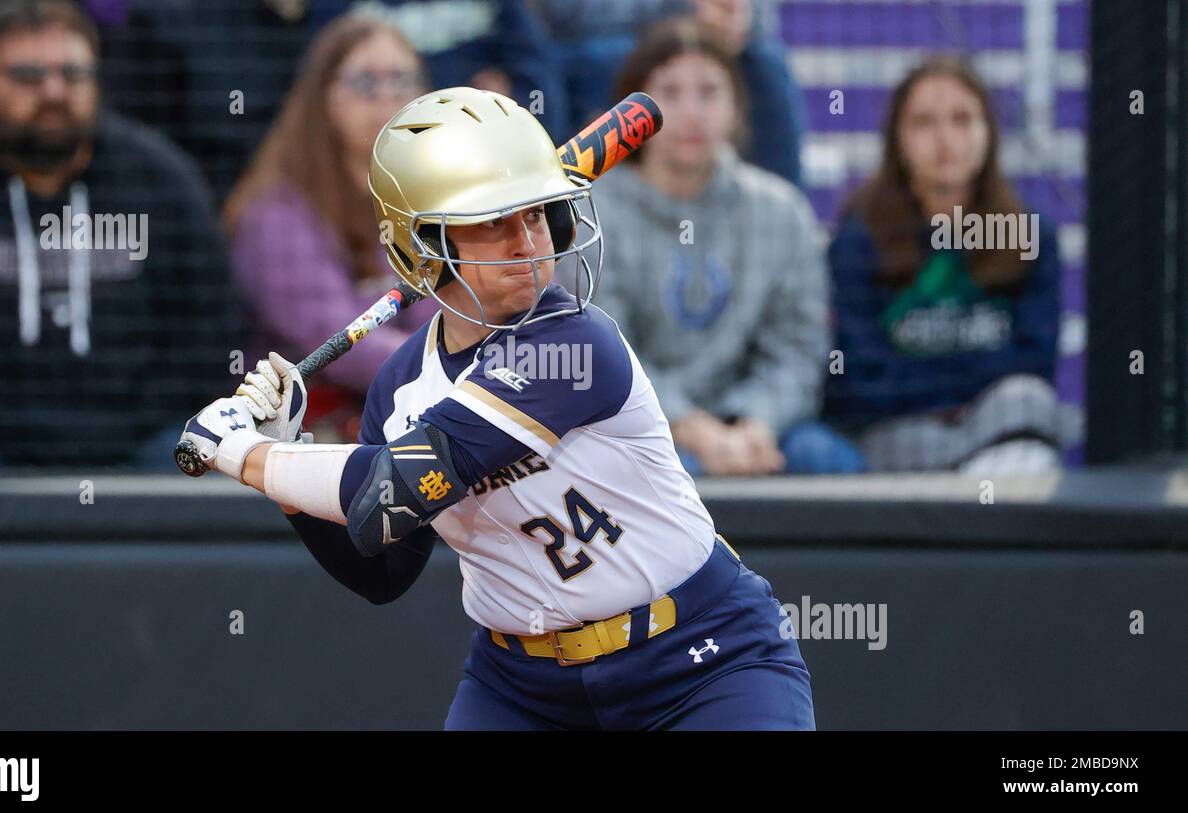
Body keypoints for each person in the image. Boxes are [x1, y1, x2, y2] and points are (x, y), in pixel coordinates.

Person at [179, 87, 815, 730]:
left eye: (537, 215)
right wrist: (293, 469)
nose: (526, 242)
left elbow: (390, 488)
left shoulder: (573, 343)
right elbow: (379, 562)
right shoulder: (401, 385)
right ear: (424, 245)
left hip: (700, 660)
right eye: (493, 222)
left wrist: (247, 453)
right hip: (523, 689)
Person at [0, 0, 242, 470]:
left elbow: (209, 331)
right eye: (28, 76)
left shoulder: (159, 176)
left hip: (134, 429)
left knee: (193, 457)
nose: (53, 91)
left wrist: (112, 427)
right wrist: (18, 426)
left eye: (73, 74)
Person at [592, 18, 863, 476]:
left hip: (759, 429)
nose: (691, 112)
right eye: (670, 93)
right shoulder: (591, 216)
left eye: (709, 92)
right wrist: (693, 430)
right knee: (672, 475)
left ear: (737, 109)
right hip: (639, 429)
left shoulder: (782, 211)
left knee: (830, 462)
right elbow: (606, 353)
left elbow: (798, 350)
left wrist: (755, 425)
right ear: (632, 117)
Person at [824, 56, 1064, 474]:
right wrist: (967, 387)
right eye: (924, 123)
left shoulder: (1029, 235)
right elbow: (859, 381)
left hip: (997, 418)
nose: (945, 139)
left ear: (988, 132)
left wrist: (938, 385)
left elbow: (1035, 363)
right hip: (899, 432)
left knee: (1028, 400)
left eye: (962, 119)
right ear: (897, 140)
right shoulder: (858, 240)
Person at [223, 14, 436, 441]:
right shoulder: (277, 210)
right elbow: (339, 343)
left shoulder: (435, 194)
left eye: (401, 80)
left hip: (416, 414)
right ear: (323, 97)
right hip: (303, 433)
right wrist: (455, 376)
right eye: (365, 83)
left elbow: (451, 315)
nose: (386, 99)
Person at [531, 0, 805, 186]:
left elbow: (755, 17)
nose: (691, 114)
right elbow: (561, 17)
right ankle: (562, 186)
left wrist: (733, 15)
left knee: (765, 65)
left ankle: (776, 194)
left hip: (721, 49)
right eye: (673, 94)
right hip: (603, 51)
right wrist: (683, 10)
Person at [312, 0, 570, 140]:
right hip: (378, 142)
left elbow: (540, 84)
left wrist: (507, 109)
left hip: (479, 145)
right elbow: (319, 79)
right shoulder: (341, 10)